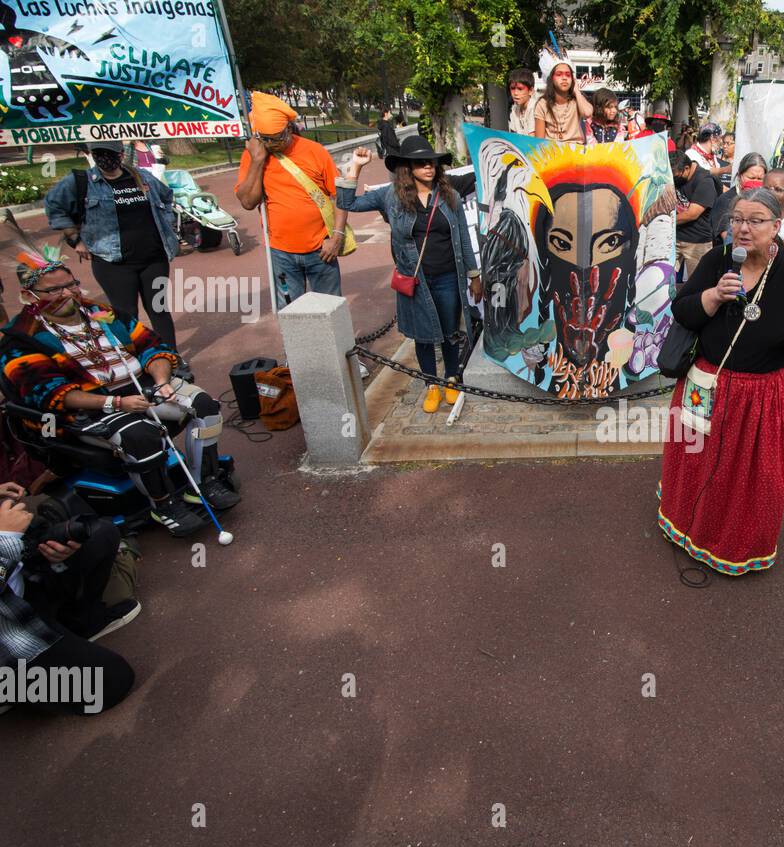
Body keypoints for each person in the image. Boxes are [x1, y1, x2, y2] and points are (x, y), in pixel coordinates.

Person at [1, 249, 239, 536]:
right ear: (30, 296)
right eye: (53, 290)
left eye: (71, 284)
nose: (67, 294)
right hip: (88, 409)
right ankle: (162, 505)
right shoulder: (21, 338)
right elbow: (52, 396)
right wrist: (117, 402)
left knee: (205, 406)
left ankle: (203, 481)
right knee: (141, 435)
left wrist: (162, 380)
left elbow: (152, 344)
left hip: (142, 386)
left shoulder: (100, 312)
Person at [657, 189, 784, 575]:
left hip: (766, 394)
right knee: (695, 460)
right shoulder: (718, 260)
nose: (743, 229)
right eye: (736, 219)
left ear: (775, 225)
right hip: (707, 382)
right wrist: (714, 296)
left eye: (754, 221)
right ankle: (688, 526)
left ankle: (735, 542)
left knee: (753, 475)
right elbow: (682, 311)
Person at [337, 140, 482, 414]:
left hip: (449, 275)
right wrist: (355, 167)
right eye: (420, 162)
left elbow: (462, 234)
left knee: (451, 332)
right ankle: (431, 384)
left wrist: (474, 275)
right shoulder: (390, 196)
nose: (428, 166)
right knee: (424, 336)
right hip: (416, 281)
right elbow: (348, 203)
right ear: (407, 167)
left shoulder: (447, 193)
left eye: (432, 161)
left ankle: (451, 378)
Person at [0, 498, 135, 716]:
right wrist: (5, 538)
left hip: (20, 592)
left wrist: (51, 552)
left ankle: (80, 622)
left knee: (101, 534)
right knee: (112, 682)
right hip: (8, 632)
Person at [44, 141, 181, 350]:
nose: (105, 158)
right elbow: (55, 206)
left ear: (121, 153)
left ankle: (172, 357)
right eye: (99, 153)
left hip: (154, 258)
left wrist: (167, 223)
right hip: (113, 263)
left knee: (159, 309)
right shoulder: (81, 181)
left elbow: (166, 197)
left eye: (110, 153)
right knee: (126, 313)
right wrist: (75, 239)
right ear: (92, 154)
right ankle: (137, 359)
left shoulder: (142, 177)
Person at [235, 91, 349, 307]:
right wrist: (258, 161)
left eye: (276, 138)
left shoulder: (314, 151)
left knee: (331, 312)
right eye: (265, 139)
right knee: (292, 316)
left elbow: (339, 196)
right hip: (281, 252)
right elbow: (248, 202)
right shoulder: (254, 156)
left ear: (288, 129)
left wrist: (336, 238)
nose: (271, 145)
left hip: (321, 249)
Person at [671, 151, 717, 281]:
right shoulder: (679, 175)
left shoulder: (704, 181)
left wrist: (667, 222)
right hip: (674, 238)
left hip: (697, 242)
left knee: (697, 283)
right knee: (662, 281)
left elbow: (692, 214)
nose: (673, 180)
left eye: (675, 176)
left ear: (686, 168)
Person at [534, 51, 593, 144]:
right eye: (559, 74)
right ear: (551, 79)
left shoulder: (576, 100)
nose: (564, 78)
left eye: (568, 75)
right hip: (552, 152)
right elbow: (539, 141)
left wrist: (577, 91)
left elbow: (587, 113)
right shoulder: (542, 104)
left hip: (576, 151)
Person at [712, 152, 768, 246]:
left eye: (760, 179)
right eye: (751, 178)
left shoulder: (765, 201)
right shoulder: (726, 200)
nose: (755, 182)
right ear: (739, 176)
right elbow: (727, 237)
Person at [506, 68, 538, 136]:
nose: (515, 93)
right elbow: (513, 135)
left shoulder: (535, 107)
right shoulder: (515, 108)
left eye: (520, 89)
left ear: (531, 91)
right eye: (512, 88)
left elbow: (531, 139)